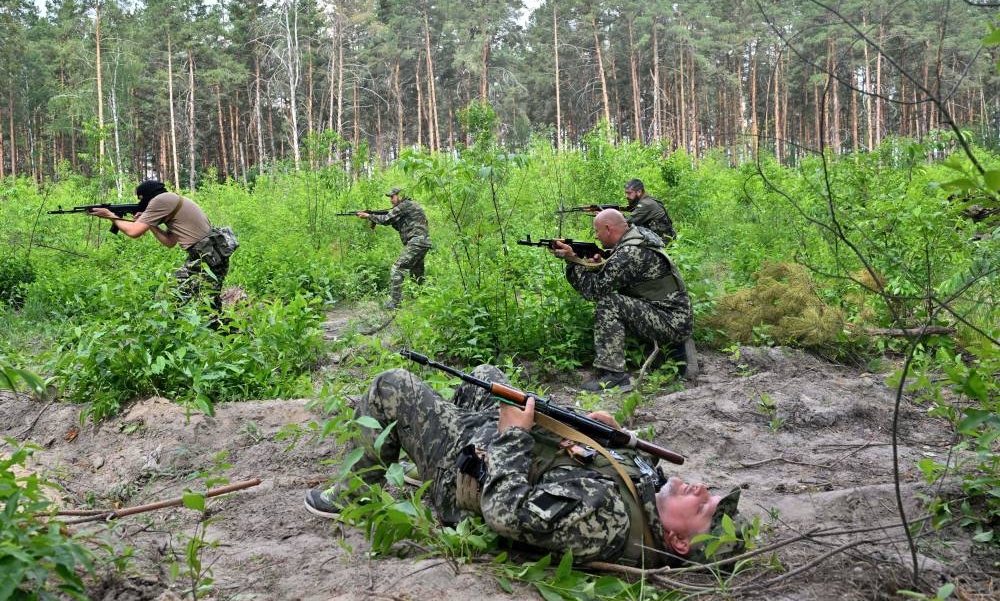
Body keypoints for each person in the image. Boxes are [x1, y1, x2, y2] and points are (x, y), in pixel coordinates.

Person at [304, 365, 743, 567]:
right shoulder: (648, 494)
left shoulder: (604, 520)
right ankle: (423, 433)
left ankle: (353, 494)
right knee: (488, 375)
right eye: (712, 493)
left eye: (704, 508)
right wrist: (601, 432)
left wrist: (514, 434)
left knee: (392, 385)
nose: (702, 490)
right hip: (501, 447)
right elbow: (601, 468)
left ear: (677, 542)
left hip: (469, 471)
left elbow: (506, 510)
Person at [550, 209, 693, 391]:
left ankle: (615, 376)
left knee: (609, 303)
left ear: (608, 229)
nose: (596, 236)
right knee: (615, 301)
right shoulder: (638, 237)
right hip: (672, 315)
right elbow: (615, 273)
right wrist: (595, 264)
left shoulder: (629, 253)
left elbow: (594, 291)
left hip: (672, 323)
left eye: (597, 231)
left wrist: (573, 261)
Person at [88, 180, 235, 319]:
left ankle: (165, 336)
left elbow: (134, 232)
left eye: (141, 199)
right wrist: (151, 223)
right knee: (208, 307)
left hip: (206, 256)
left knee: (169, 298)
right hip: (211, 254)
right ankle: (227, 339)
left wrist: (111, 216)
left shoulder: (161, 200)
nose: (141, 203)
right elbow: (170, 242)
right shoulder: (171, 200)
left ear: (148, 196)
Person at [357, 188, 432, 310]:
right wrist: (375, 218)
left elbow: (387, 219)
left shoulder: (404, 205)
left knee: (397, 268)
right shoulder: (410, 205)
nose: (391, 200)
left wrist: (369, 216)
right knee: (416, 273)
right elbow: (399, 226)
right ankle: (422, 301)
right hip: (423, 242)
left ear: (400, 196)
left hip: (416, 242)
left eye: (393, 197)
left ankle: (395, 303)